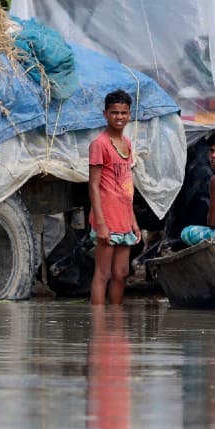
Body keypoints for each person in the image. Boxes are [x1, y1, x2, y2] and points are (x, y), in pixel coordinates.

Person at [89, 89, 141, 305]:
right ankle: (99, 326)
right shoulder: (99, 144)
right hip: (107, 220)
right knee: (103, 274)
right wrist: (100, 223)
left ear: (129, 115)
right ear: (105, 114)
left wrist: (134, 223)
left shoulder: (127, 143)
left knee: (121, 273)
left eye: (123, 112)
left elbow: (126, 188)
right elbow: (93, 185)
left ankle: (115, 324)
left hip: (124, 220)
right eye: (114, 112)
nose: (119, 117)